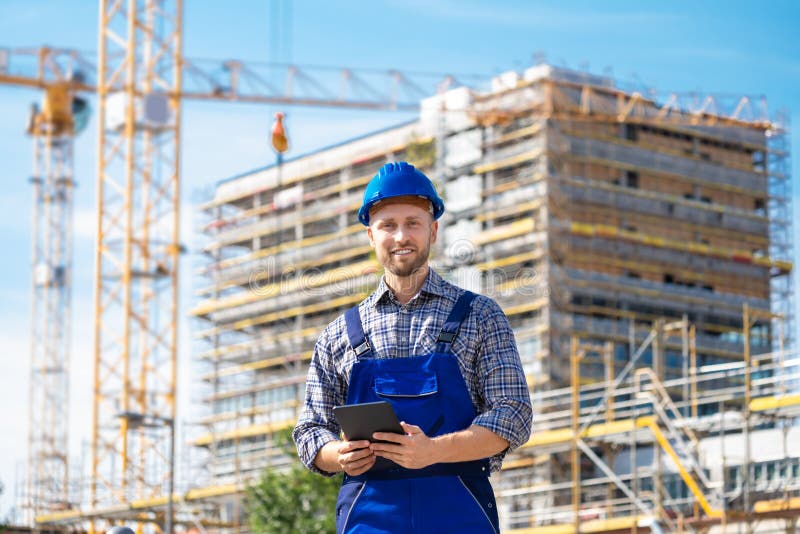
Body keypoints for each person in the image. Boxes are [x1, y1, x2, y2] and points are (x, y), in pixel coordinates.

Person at [293, 161, 532, 533]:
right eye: (387, 225)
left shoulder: (481, 316)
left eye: (413, 223)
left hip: (459, 518)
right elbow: (310, 431)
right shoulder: (337, 336)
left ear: (433, 231)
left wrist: (433, 451)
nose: (401, 236)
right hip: (369, 521)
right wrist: (339, 455)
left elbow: (514, 414)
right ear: (371, 235)